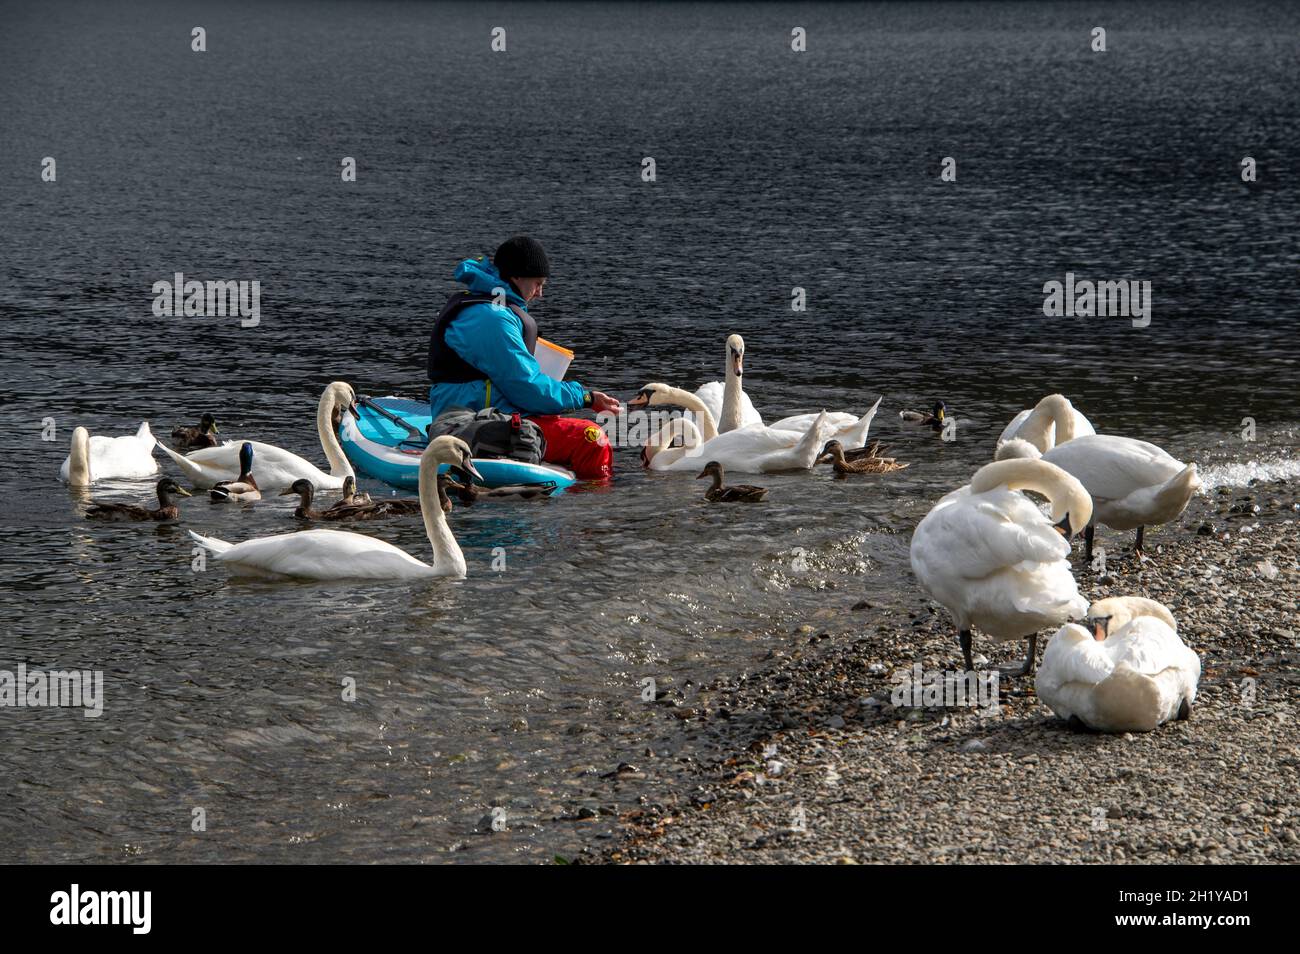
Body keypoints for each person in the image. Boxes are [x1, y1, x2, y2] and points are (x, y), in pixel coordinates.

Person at [427, 236, 620, 479]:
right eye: (538, 283)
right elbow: (525, 387)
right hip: (469, 419)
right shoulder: (492, 318)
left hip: (486, 410)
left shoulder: (491, 307)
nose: (540, 293)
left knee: (558, 418)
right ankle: (593, 501)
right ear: (516, 277)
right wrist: (585, 397)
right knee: (591, 438)